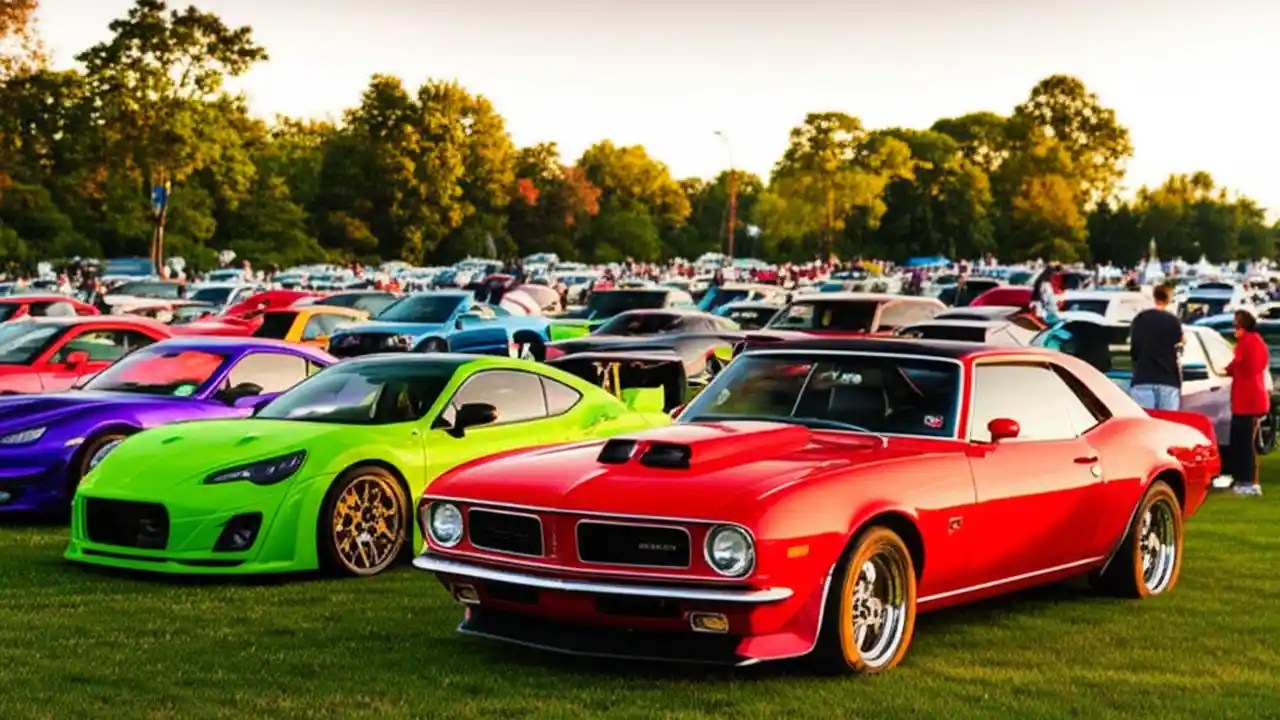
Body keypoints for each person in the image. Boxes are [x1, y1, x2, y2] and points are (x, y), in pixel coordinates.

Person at [1225, 310, 1269, 496]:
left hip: (1247, 402)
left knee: (1244, 444)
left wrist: (1228, 368)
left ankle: (1247, 481)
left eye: (1236, 326)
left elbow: (1237, 364)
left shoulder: (1246, 343)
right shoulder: (1258, 342)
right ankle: (1247, 480)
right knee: (1247, 442)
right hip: (1253, 400)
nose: (1235, 330)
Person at [1128, 284, 1182, 410]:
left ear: (1154, 296)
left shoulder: (1140, 319)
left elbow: (1134, 349)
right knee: (1168, 424)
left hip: (1143, 378)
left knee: (1145, 424)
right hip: (1168, 380)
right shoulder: (1173, 321)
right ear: (1169, 298)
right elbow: (1179, 347)